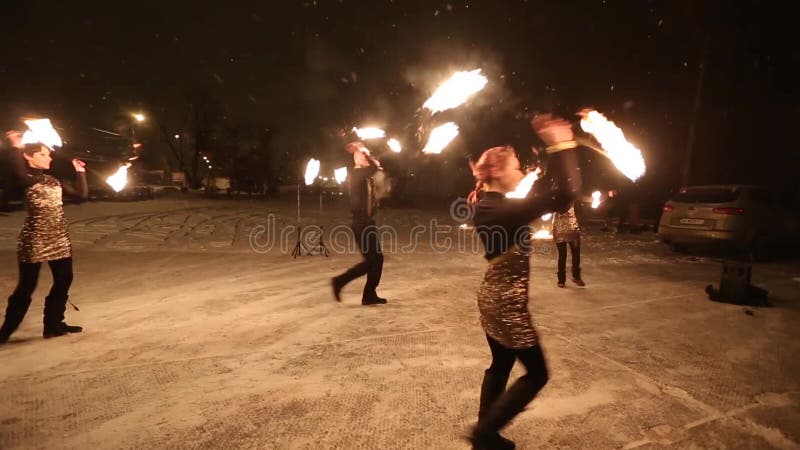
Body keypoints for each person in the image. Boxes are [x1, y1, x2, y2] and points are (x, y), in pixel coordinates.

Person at [466, 114, 581, 449]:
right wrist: (562, 143)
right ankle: (484, 432)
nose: (522, 171)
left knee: (500, 363)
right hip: (506, 306)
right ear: (498, 172)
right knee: (537, 374)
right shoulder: (502, 211)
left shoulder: (490, 205)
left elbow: (551, 196)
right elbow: (567, 194)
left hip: (492, 299)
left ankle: (486, 437)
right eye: (516, 166)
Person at [0, 130, 88, 344]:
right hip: (36, 238)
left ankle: (53, 324)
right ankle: (5, 332)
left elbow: (82, 196)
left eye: (48, 154)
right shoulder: (26, 180)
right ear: (29, 157)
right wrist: (16, 146)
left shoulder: (53, 180)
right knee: (27, 286)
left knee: (64, 279)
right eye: (43, 154)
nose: (49, 157)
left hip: (59, 238)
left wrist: (79, 172)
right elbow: (19, 173)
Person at [331, 142, 387, 305]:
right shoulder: (357, 173)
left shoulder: (363, 175)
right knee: (371, 261)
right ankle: (339, 281)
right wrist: (366, 153)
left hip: (366, 221)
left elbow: (377, 172)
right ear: (359, 158)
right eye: (364, 155)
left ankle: (369, 295)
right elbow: (375, 168)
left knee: (377, 259)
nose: (367, 156)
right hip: (360, 223)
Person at [552, 205, 584, 287]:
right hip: (559, 229)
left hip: (572, 228)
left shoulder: (572, 195)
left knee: (575, 253)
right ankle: (561, 280)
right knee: (562, 255)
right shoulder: (555, 197)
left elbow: (584, 199)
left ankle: (576, 276)